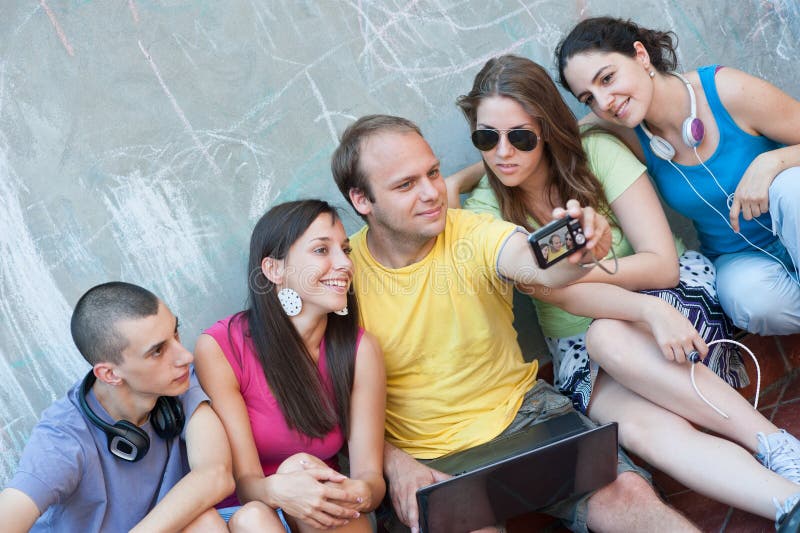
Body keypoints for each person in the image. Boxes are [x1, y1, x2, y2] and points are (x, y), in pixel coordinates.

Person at [448, 53, 800, 526]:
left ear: (548, 129)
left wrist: (594, 287)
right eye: (486, 138)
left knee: (609, 335)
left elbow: (660, 266)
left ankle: (776, 446)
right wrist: (569, 281)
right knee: (637, 427)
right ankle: (786, 504)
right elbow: (555, 293)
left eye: (521, 137)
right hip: (580, 347)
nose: (503, 153)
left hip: (674, 304)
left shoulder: (597, 155)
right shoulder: (487, 211)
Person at [331, 113, 699, 533]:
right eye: (405, 185)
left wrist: (574, 245)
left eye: (432, 173)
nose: (432, 192)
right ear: (362, 200)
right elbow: (329, 399)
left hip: (526, 416)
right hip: (426, 456)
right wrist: (394, 462)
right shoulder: (341, 276)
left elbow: (533, 262)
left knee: (629, 495)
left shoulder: (472, 231)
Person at [556, 16, 800, 336]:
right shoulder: (627, 131)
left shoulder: (725, 90)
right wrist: (480, 167)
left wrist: (770, 162)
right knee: (749, 301)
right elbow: (548, 141)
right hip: (740, 257)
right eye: (588, 98)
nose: (604, 102)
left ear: (640, 55)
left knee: (790, 185)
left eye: (607, 78)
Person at [0, 281, 274, 532]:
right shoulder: (62, 436)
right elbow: (12, 510)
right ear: (110, 374)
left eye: (175, 334)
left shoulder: (178, 384)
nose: (185, 355)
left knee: (212, 523)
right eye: (157, 351)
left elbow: (216, 474)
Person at [193, 200, 386, 533]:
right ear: (274, 270)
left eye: (345, 250)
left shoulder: (360, 349)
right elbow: (245, 483)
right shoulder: (222, 347)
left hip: (326, 513)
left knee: (307, 473)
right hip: (247, 516)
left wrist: (361, 492)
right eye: (322, 250)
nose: (343, 264)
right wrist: (282, 489)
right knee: (269, 502)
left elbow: (371, 479)